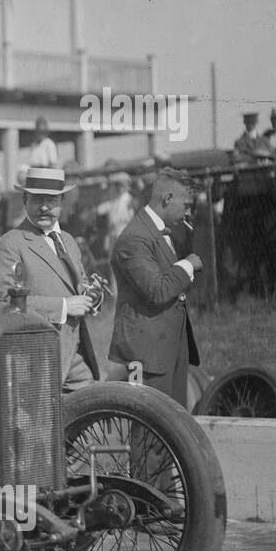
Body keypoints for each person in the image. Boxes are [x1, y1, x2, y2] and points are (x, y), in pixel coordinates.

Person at [0, 168, 101, 391]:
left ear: (62, 201)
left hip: (73, 352)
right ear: (24, 200)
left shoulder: (68, 241)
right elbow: (5, 301)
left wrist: (93, 295)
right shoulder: (9, 244)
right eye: (37, 200)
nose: (43, 207)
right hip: (36, 355)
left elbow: (79, 284)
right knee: (38, 420)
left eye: (51, 201)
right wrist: (64, 306)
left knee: (90, 410)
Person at [109, 168, 202, 407]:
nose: (189, 213)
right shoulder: (135, 238)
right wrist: (188, 266)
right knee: (149, 428)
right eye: (187, 205)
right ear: (168, 198)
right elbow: (157, 291)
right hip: (149, 351)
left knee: (172, 426)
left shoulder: (163, 230)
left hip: (169, 345)